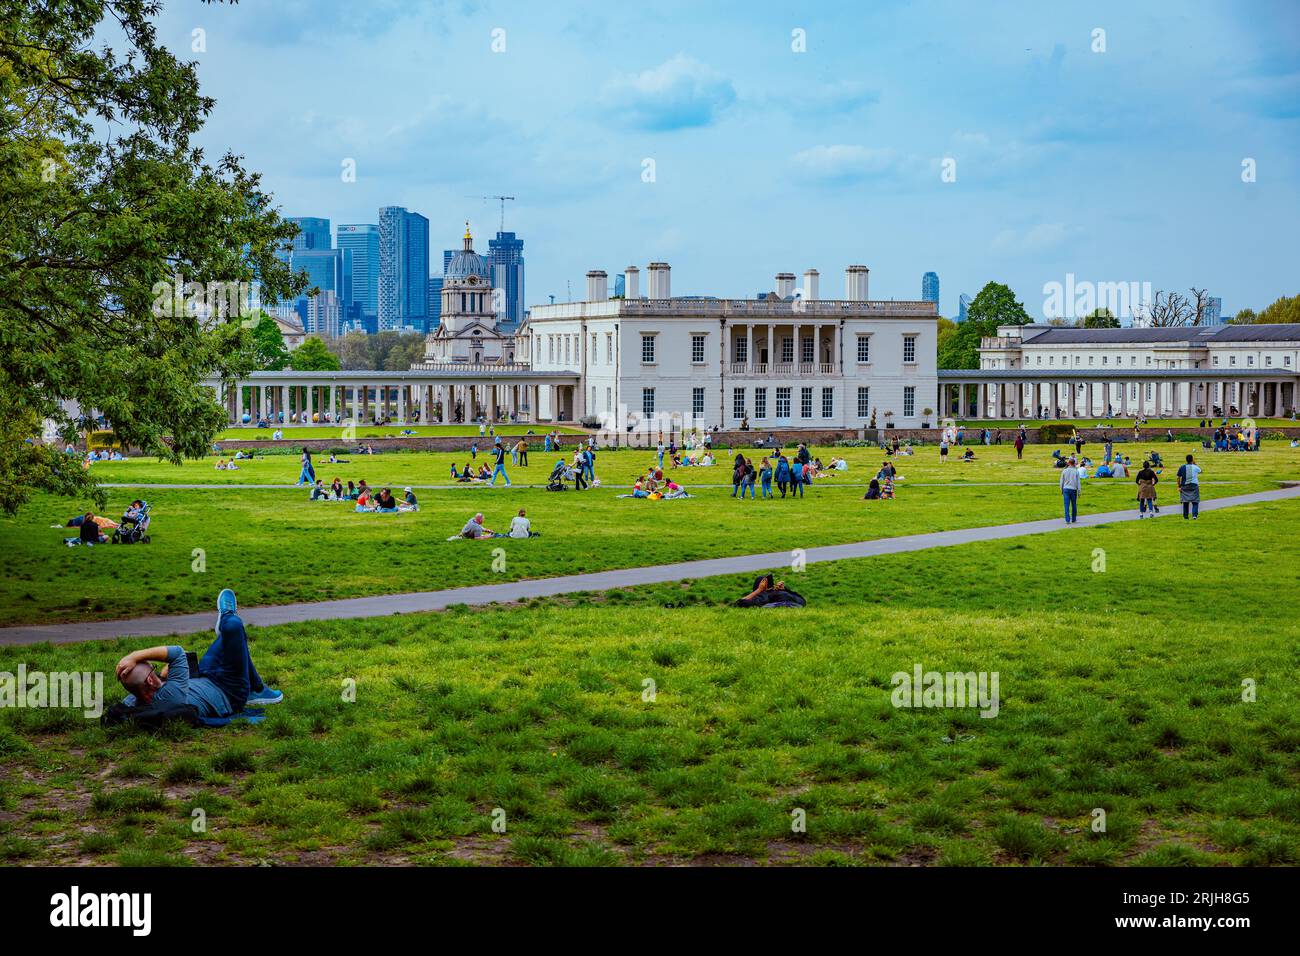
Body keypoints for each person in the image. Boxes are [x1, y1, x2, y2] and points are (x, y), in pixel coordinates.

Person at [115, 589, 282, 718]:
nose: (156, 671)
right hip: (230, 690)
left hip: (203, 676)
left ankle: (258, 688)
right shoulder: (169, 696)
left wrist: (163, 677)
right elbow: (178, 653)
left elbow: (136, 689)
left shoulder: (134, 700)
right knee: (233, 628)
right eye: (153, 669)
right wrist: (135, 655)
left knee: (233, 640)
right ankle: (227, 616)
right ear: (150, 680)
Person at [1177, 453, 1201, 520]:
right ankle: (1194, 515)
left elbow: (1178, 477)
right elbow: (1201, 471)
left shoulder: (1182, 467)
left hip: (1184, 485)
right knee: (1195, 501)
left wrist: (1179, 486)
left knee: (1185, 501)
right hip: (1194, 485)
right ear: (1192, 459)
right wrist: (1195, 464)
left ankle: (1185, 516)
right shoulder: (1195, 467)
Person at [1060, 456, 1081, 524]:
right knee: (1074, 504)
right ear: (1074, 463)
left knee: (1066, 505)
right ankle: (1074, 519)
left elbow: (1061, 481)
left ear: (1068, 463)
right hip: (1073, 489)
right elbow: (1078, 482)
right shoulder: (1076, 471)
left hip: (1066, 488)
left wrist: (1061, 489)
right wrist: (1079, 491)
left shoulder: (1064, 471)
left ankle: (1067, 519)